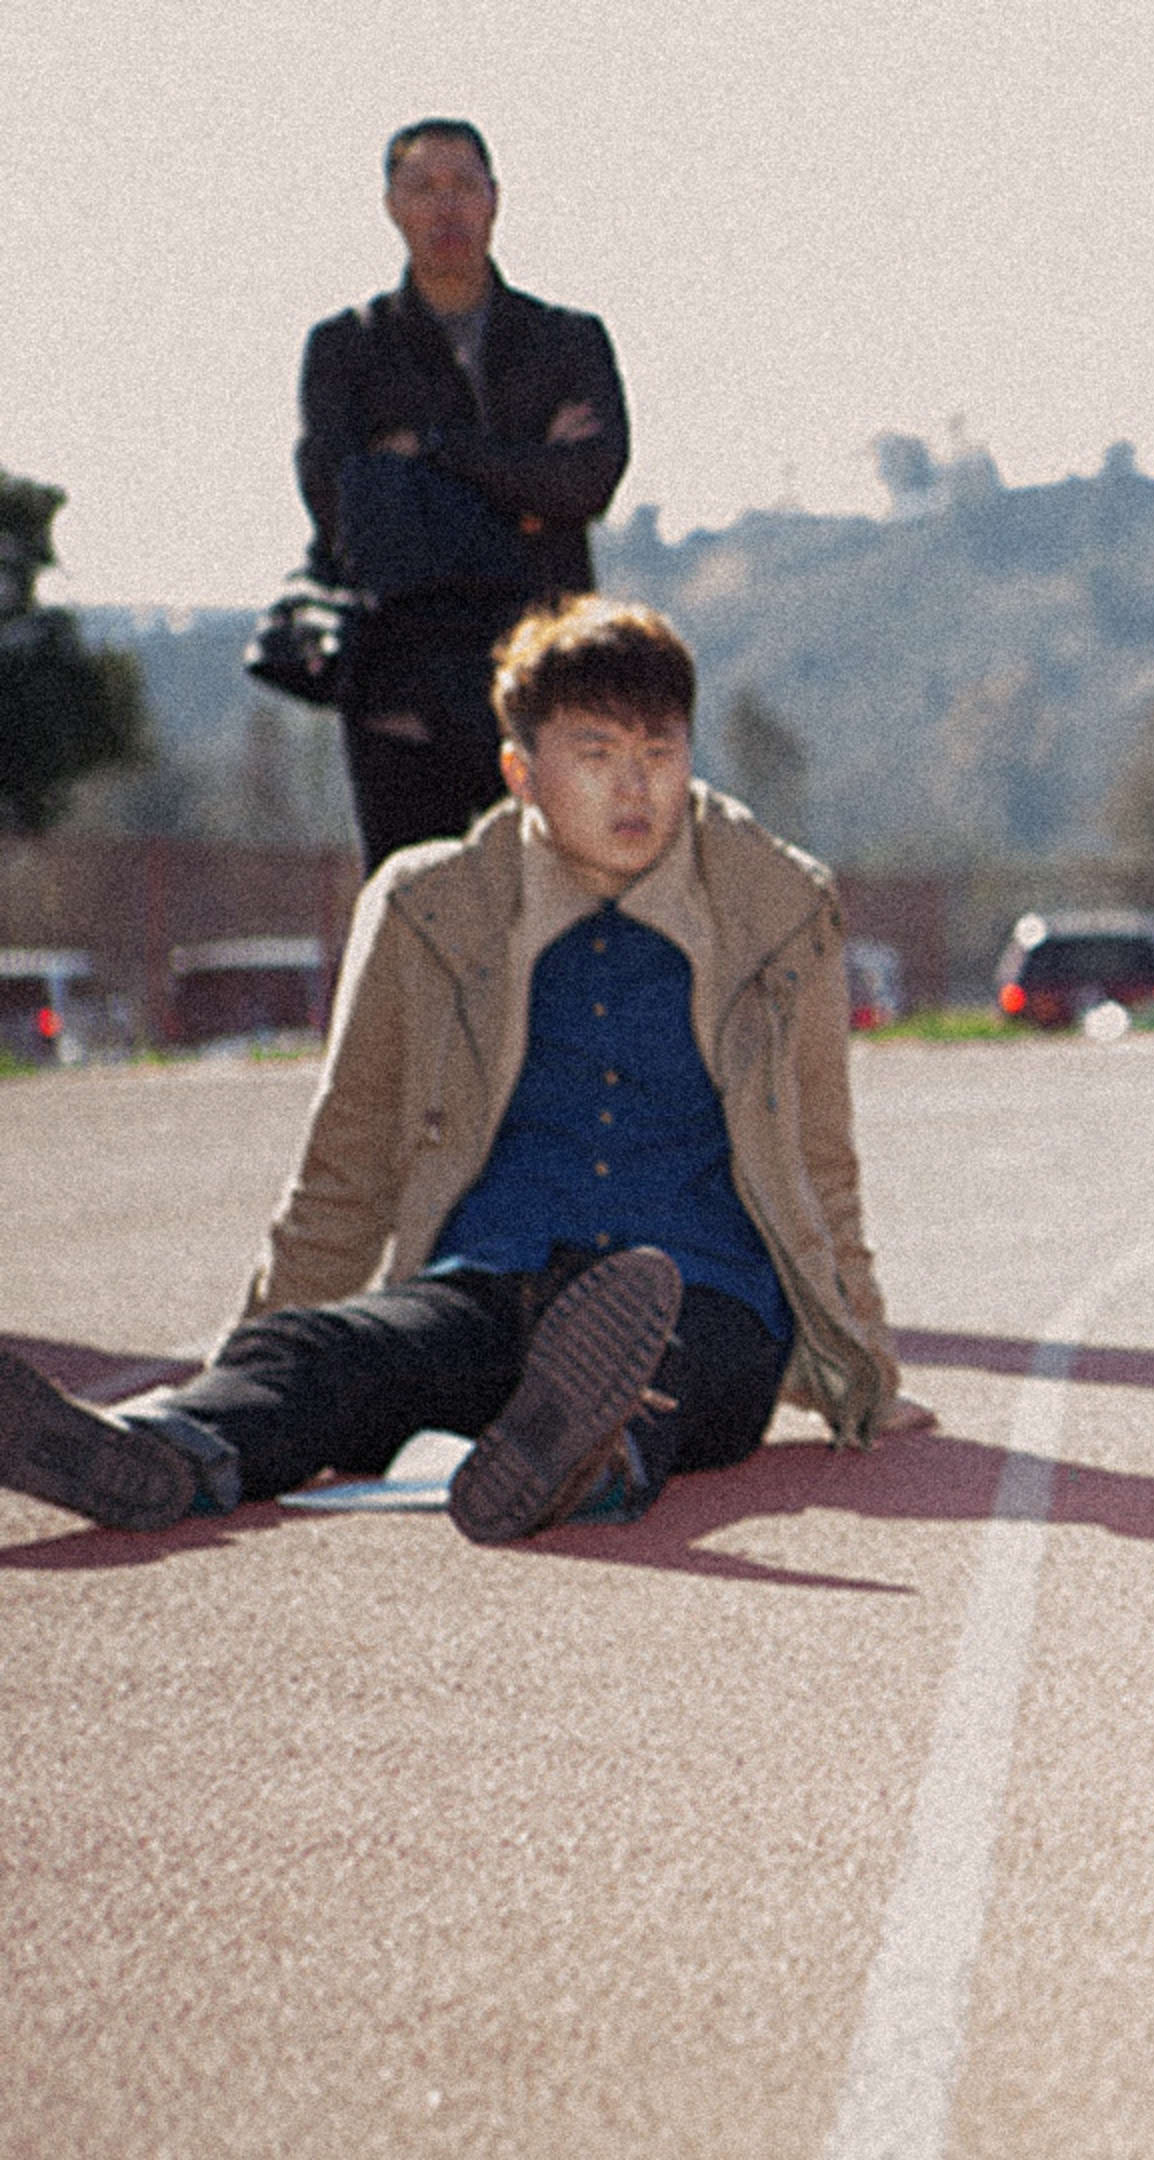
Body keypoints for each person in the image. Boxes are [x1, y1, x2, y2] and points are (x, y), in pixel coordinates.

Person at [0, 598, 923, 1542]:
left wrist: (865, 1371)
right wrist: (255, 1358)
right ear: (521, 773)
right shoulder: (425, 905)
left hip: (699, 1296)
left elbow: (822, 1165)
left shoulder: (781, 909)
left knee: (666, 1376)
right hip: (487, 1286)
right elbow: (344, 1163)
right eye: (596, 756)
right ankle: (160, 1451)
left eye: (659, 752)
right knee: (315, 1353)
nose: (635, 788)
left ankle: (585, 1461)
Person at [298, 118, 630, 869]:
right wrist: (525, 488)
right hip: (402, 690)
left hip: (547, 677)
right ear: (391, 205)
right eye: (422, 187)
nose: (445, 207)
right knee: (418, 929)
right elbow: (352, 514)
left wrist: (432, 454)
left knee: (560, 915)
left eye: (463, 186)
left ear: (495, 199)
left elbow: (588, 479)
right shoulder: (348, 349)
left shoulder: (567, 341)